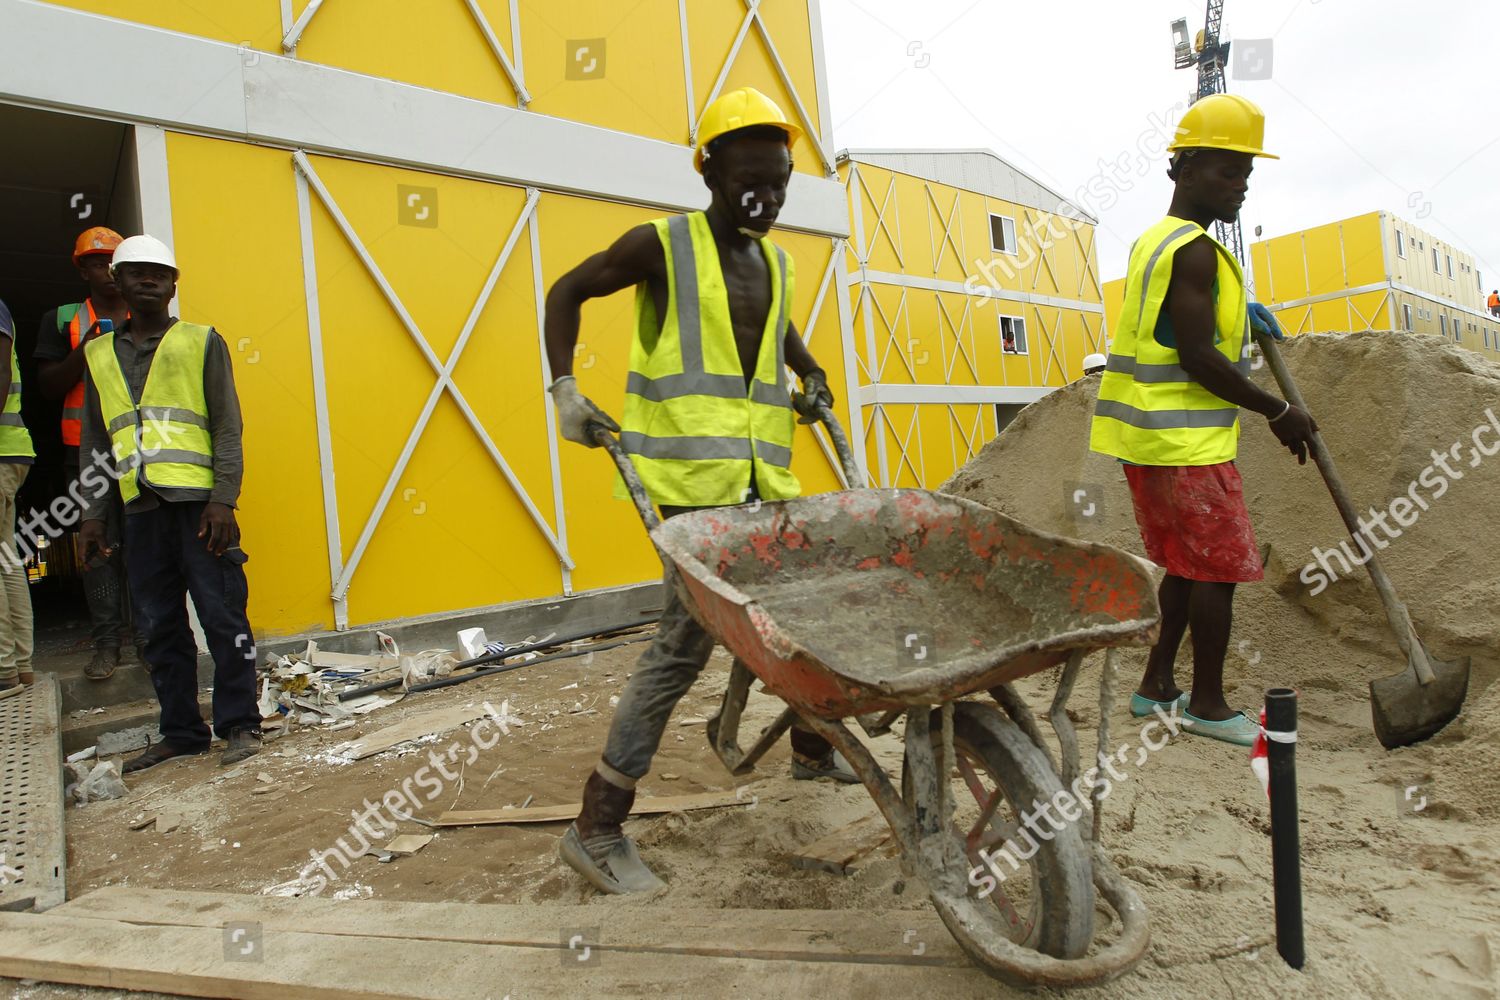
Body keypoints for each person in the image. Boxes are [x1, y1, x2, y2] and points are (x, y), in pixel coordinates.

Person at [545, 88, 845, 894]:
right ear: (709, 171)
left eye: (779, 181)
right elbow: (565, 291)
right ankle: (596, 828)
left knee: (796, 613)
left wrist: (810, 372)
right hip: (685, 489)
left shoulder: (774, 261)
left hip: (759, 481)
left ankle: (813, 752)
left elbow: (774, 331)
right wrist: (564, 388)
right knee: (682, 647)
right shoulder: (661, 246)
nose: (767, 197)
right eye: (751, 179)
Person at [1089, 94, 1317, 747]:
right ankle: (1208, 704)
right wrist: (1278, 410)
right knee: (1218, 567)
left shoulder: (1156, 241)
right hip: (1185, 445)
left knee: (1187, 567)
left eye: (1246, 173)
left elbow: (1171, 326)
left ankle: (1157, 686)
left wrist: (1238, 309)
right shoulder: (1193, 252)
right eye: (1226, 171)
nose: (1240, 186)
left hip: (1147, 441)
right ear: (1185, 171)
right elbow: (1192, 355)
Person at [77, 235, 261, 770]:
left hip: (201, 509)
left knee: (224, 619)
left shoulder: (201, 341)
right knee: (158, 628)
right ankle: (182, 731)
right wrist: (92, 514)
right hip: (140, 513)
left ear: (174, 282)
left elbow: (228, 426)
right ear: (119, 281)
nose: (150, 279)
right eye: (137, 272)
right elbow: (96, 441)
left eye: (160, 272)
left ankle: (240, 724)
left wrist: (223, 499)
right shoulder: (99, 356)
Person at [35, 227, 137, 681]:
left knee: (148, 543)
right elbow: (50, 387)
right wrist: (88, 347)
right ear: (82, 268)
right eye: (97, 262)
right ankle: (107, 644)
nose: (107, 270)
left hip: (144, 449)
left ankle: (153, 638)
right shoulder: (62, 320)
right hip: (85, 453)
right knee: (99, 546)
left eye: (114, 261)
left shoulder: (148, 313)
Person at [0, 297, 35, 701]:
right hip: (11, 449)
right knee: (6, 558)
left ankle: (5, 669)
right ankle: (18, 667)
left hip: (2, 451)